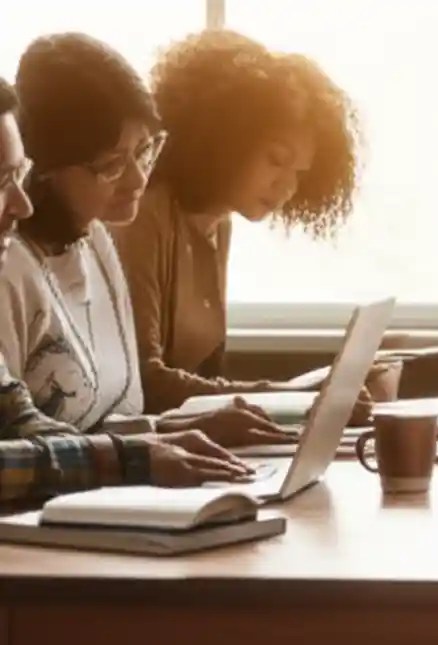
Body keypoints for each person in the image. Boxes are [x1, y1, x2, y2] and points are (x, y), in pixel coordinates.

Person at [0, 33, 296, 448]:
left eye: (144, 150)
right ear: (46, 164)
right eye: (110, 165)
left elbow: (111, 422)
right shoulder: (11, 267)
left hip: (106, 495)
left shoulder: (98, 243)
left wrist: (183, 430)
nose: (138, 178)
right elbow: (16, 447)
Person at [113, 29, 361, 414]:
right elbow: (145, 382)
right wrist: (289, 397)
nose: (287, 186)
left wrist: (294, 397)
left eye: (299, 172)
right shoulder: (144, 214)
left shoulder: (219, 222)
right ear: (225, 143)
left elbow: (208, 377)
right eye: (276, 160)